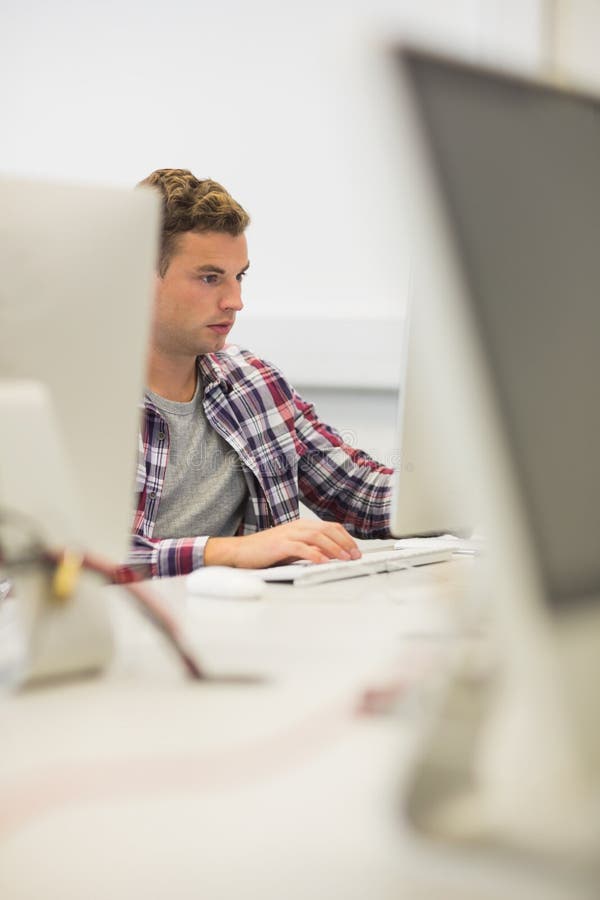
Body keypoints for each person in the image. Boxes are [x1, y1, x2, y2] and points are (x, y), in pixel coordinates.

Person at [127, 168, 393, 578]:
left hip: (241, 626)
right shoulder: (75, 400)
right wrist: (227, 552)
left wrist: (484, 493)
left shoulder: (253, 382)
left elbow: (357, 493)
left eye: (239, 276)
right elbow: (68, 559)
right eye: (209, 277)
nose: (235, 301)